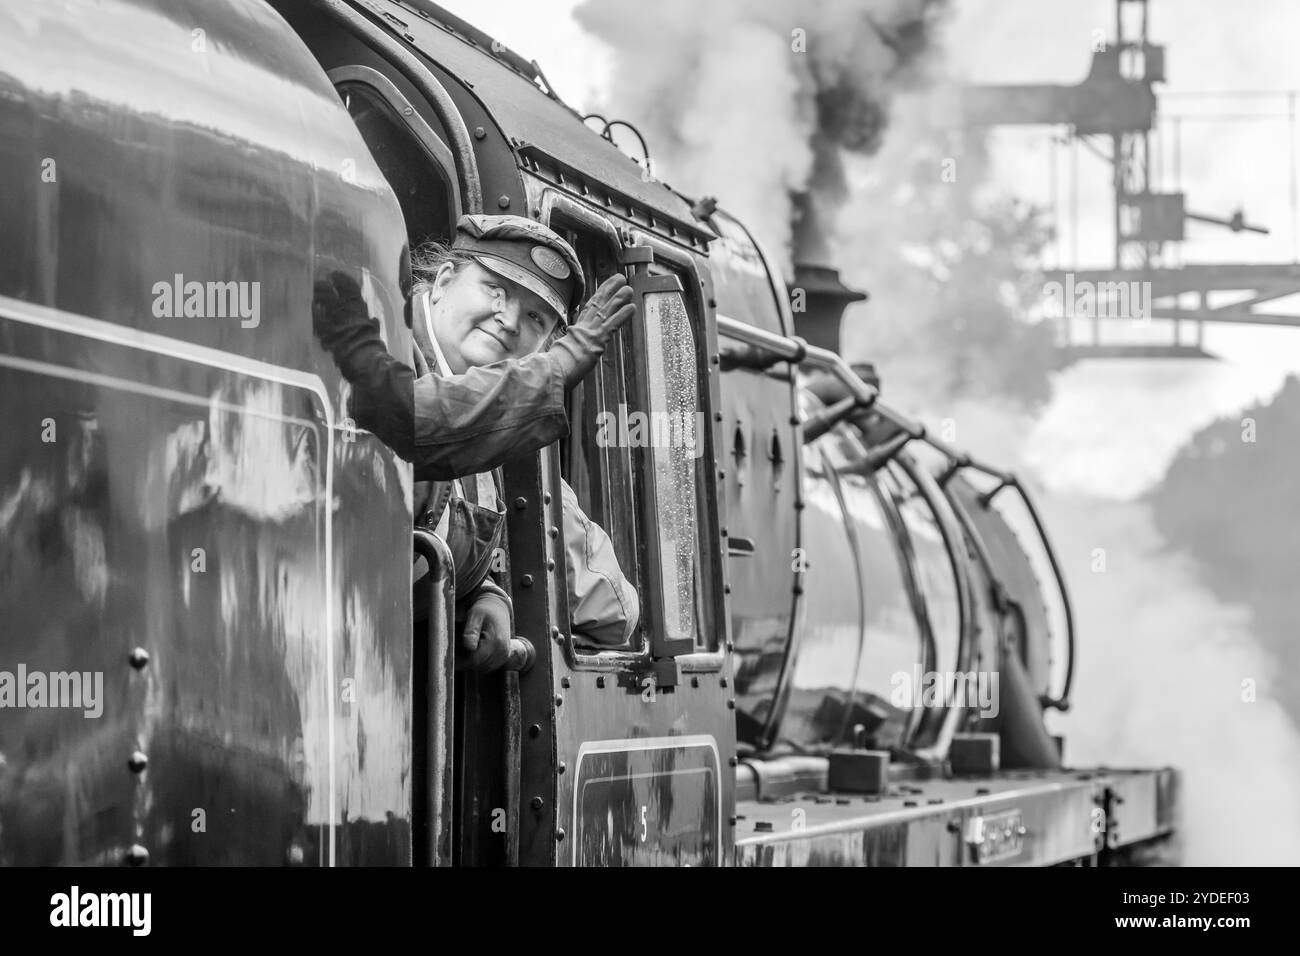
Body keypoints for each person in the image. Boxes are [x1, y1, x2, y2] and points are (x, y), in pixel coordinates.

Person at [410, 215, 640, 672]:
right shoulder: (381, 345)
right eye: (495, 290)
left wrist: (490, 593)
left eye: (536, 316)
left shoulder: (501, 420)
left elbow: (611, 610)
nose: (510, 320)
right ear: (443, 281)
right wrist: (550, 375)